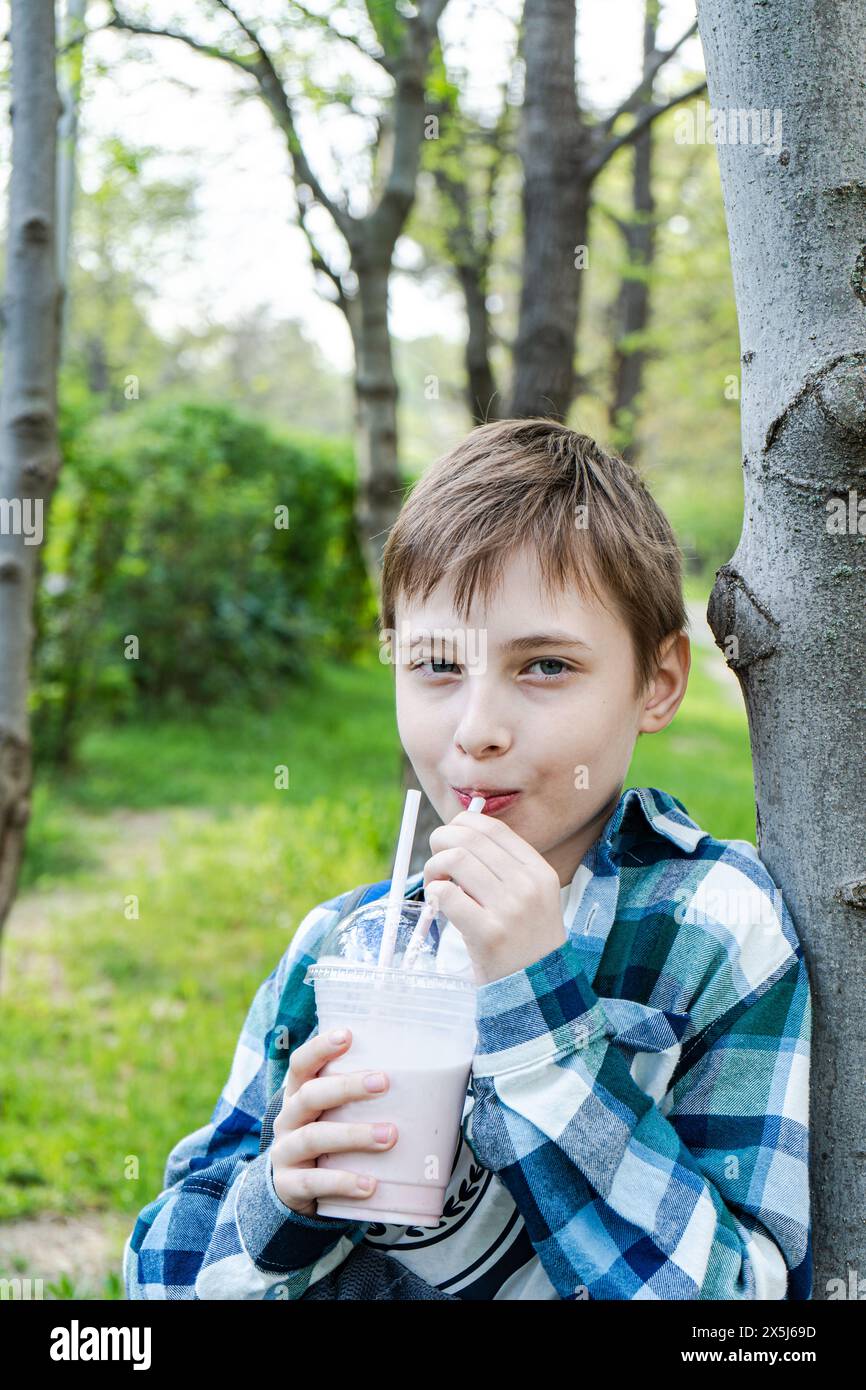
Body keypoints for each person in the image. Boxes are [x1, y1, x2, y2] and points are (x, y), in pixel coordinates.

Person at [123, 418, 812, 1300]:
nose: (477, 731)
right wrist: (277, 1198)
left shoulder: (715, 924)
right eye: (437, 666)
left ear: (659, 680)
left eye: (547, 666)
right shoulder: (341, 946)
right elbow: (156, 1284)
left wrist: (535, 1007)